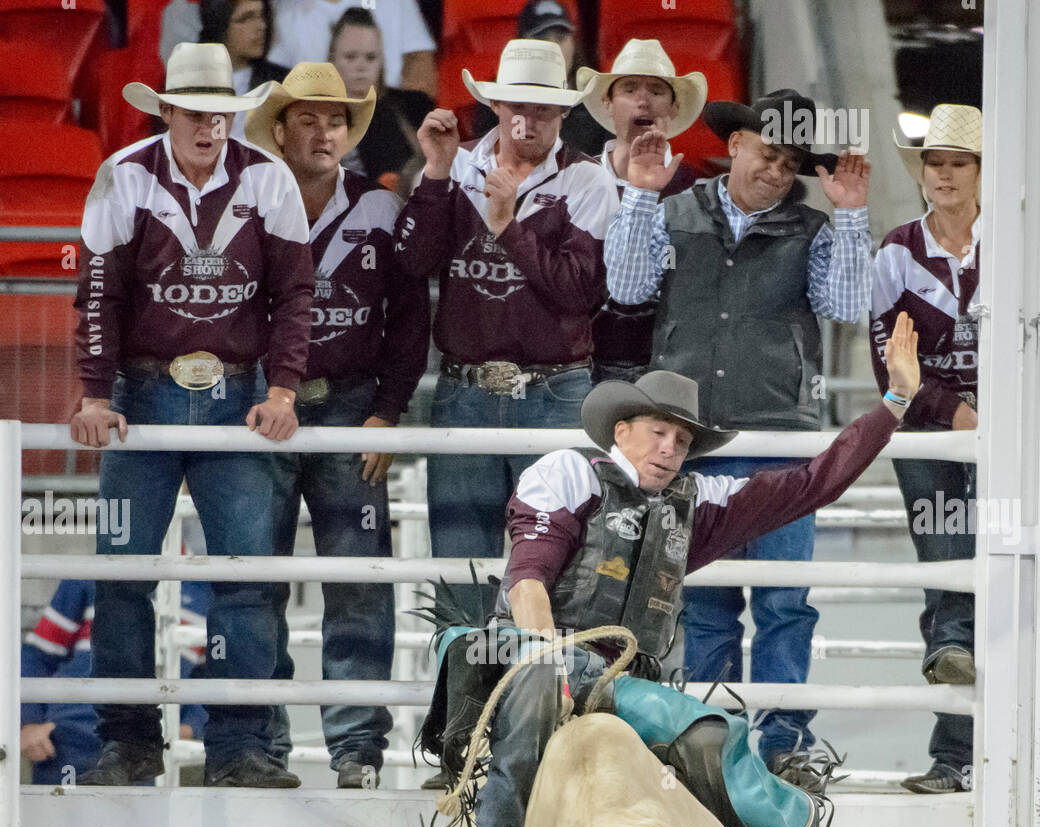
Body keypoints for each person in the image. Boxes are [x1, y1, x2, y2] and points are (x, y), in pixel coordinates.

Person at [422, 315, 922, 827]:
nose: (670, 448)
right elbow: (529, 578)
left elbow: (812, 483)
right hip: (534, 646)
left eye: (682, 438)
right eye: (658, 431)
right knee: (541, 683)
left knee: (718, 738)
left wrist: (893, 404)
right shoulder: (569, 473)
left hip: (629, 678)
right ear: (621, 430)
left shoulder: (695, 506)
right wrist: (550, 652)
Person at [605, 89, 872, 782]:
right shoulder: (670, 208)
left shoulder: (814, 226)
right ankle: (709, 738)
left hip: (777, 434)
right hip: (696, 438)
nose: (778, 171)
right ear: (735, 146)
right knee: (705, 597)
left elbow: (847, 306)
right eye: (768, 153)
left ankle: (782, 743)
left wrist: (850, 216)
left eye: (790, 162)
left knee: (782, 597)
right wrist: (638, 195)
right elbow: (627, 287)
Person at [70, 42, 314, 789]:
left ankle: (234, 746)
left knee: (243, 576)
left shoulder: (267, 179)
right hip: (142, 398)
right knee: (123, 577)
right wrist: (94, 391)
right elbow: (98, 293)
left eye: (221, 113)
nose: (210, 126)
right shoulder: (125, 175)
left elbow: (295, 294)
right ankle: (130, 740)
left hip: (236, 396)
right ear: (167, 110)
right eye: (196, 112)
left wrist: (282, 391)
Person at [394, 38, 617, 786]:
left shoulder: (588, 181)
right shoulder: (453, 167)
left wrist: (505, 227)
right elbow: (413, 264)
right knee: (463, 571)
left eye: (545, 106)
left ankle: (552, 745)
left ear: (562, 110)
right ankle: (461, 743)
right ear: (496, 104)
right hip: (467, 387)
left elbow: (581, 292)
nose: (530, 118)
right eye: (519, 103)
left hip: (554, 390)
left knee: (556, 569)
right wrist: (430, 175)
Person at [245, 63, 430, 788]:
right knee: (255, 577)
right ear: (282, 128)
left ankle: (358, 751)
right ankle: (258, 746)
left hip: (353, 405)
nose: (324, 133)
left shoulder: (382, 207)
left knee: (357, 580)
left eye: (336, 121)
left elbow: (410, 316)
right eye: (309, 119)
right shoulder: (250, 203)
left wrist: (388, 409)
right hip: (263, 408)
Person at [872, 105, 981, 794]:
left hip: (1010, 428)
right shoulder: (896, 251)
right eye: (932, 162)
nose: (942, 174)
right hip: (931, 428)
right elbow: (892, 358)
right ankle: (955, 755)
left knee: (984, 587)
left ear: (979, 172)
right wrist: (959, 410)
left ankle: (962, 752)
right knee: (949, 570)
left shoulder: (1018, 241)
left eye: (957, 163)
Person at [576, 38, 706, 384]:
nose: (642, 99)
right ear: (607, 102)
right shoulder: (574, 180)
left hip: (665, 363)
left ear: (674, 107)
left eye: (656, 90)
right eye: (629, 88)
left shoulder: (694, 191)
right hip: (576, 366)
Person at [21, 577, 209, 785]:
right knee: (52, 816)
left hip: (143, 745)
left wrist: (188, 727)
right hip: (65, 741)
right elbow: (38, 654)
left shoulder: (206, 591)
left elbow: (212, 678)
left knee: (137, 816)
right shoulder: (91, 574)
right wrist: (29, 722)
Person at [469, 1, 607, 157]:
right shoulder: (497, 100)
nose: (554, 48)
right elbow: (485, 160)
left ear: (574, 42)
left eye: (561, 38)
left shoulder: (596, 100)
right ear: (521, 43)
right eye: (543, 39)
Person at [328, 6, 433, 191]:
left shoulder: (413, 107)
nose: (361, 66)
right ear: (332, 60)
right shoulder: (318, 117)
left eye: (370, 58)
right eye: (350, 57)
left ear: (381, 60)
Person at [267, 0, 437, 98]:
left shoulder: (396, 3)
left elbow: (421, 68)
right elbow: (274, 81)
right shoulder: (285, 11)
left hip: (388, 127)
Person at [197, 0, 288, 138]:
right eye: (247, 18)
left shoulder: (282, 84)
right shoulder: (186, 81)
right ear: (221, 23)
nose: (261, 26)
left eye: (262, 16)